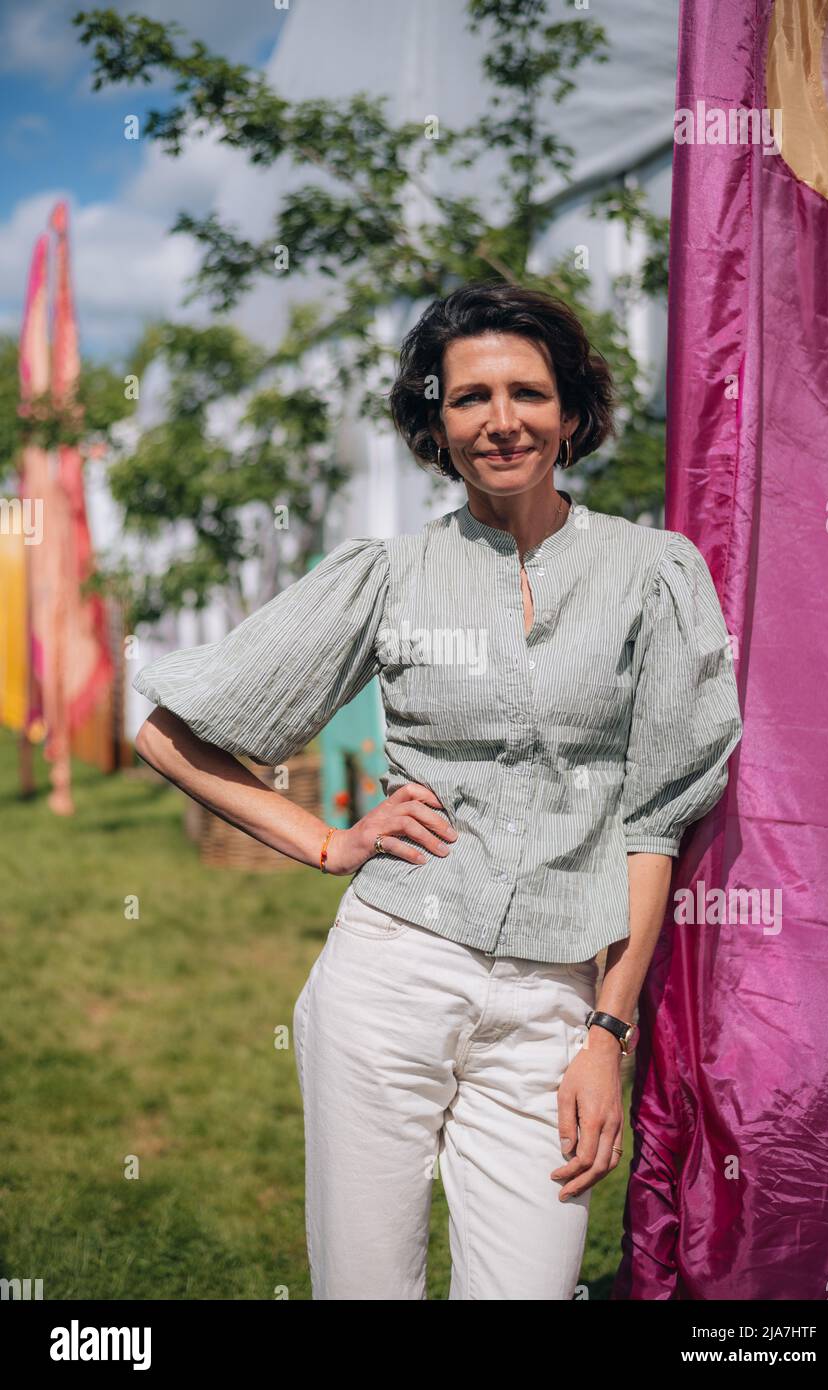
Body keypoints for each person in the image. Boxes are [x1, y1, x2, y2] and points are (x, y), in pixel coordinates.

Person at [133, 279, 744, 1301]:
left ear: (571, 411)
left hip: (555, 1005)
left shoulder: (652, 574)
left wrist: (607, 1028)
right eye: (467, 398)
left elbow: (653, 817)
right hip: (390, 975)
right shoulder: (389, 573)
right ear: (435, 421)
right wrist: (326, 841)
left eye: (526, 393)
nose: (500, 420)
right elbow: (169, 732)